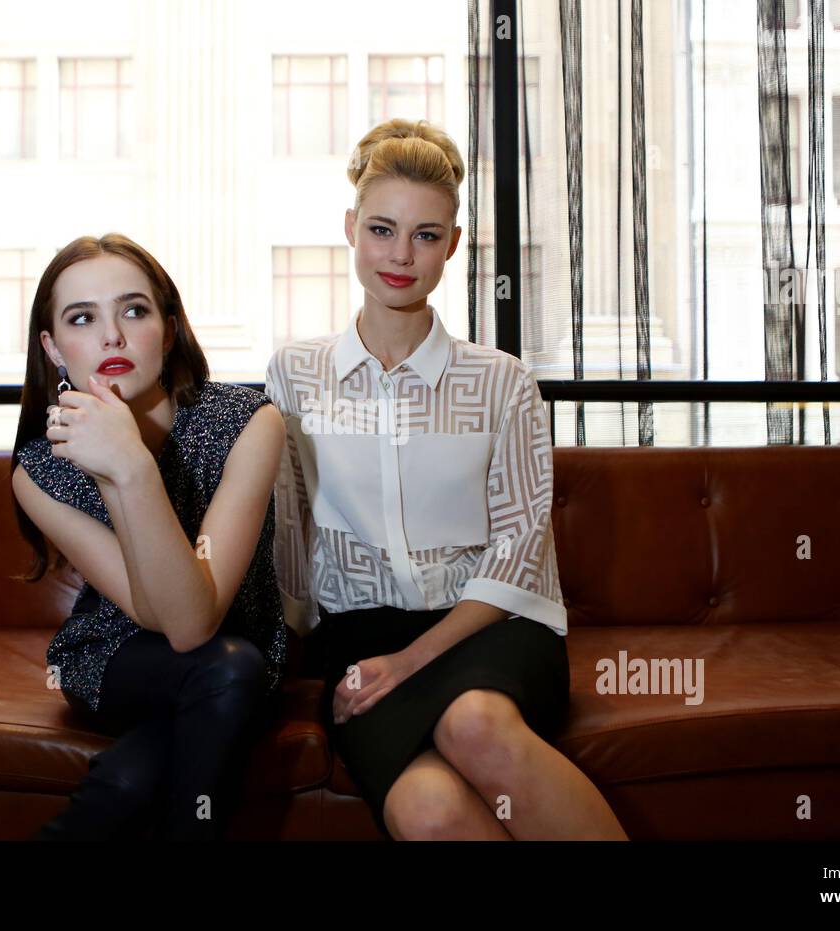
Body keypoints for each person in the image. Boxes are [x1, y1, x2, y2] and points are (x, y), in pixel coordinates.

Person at [265, 119, 629, 841]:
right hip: (361, 639)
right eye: (382, 229)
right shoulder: (295, 374)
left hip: (490, 627)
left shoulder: (502, 383)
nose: (401, 255)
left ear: (454, 245)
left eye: (426, 236)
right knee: (427, 815)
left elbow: (520, 550)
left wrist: (409, 662)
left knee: (475, 722)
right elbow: (288, 528)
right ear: (350, 229)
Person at [10, 232, 287, 840]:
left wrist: (128, 464)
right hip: (114, 657)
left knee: (136, 775)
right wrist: (122, 466)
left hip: (233, 651)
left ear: (167, 326)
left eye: (133, 310)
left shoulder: (248, 422)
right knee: (223, 672)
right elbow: (164, 620)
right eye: (83, 318)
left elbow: (196, 620)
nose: (112, 335)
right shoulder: (39, 470)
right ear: (54, 348)